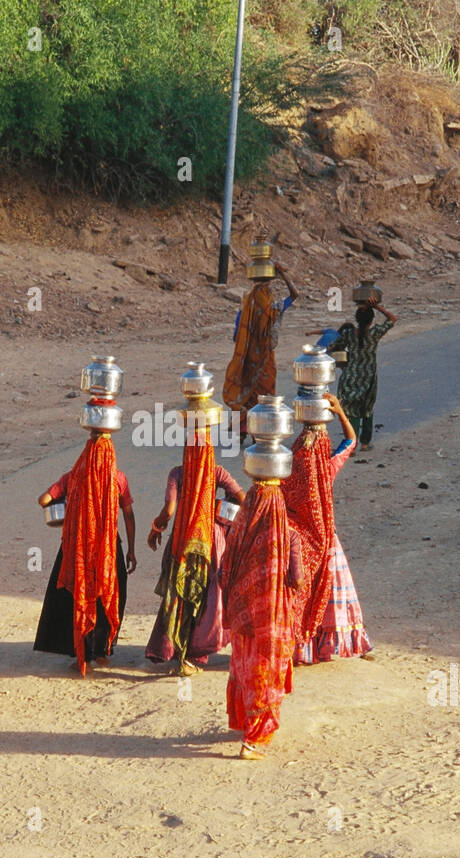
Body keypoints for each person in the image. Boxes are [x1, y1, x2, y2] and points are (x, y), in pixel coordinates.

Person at [144, 420, 245, 676]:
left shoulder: (177, 473)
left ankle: (174, 648)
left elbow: (169, 510)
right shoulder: (217, 472)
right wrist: (221, 508)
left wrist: (156, 528)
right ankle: (196, 653)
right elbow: (243, 498)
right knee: (209, 594)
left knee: (179, 590)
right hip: (211, 541)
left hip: (182, 538)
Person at [34, 430, 137, 676]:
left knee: (77, 597)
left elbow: (43, 499)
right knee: (107, 597)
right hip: (109, 548)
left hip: (77, 547)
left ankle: (81, 653)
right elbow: (129, 515)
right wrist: (131, 549)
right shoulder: (118, 479)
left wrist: (72, 506)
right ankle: (102, 652)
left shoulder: (73, 477)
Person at [284, 393, 374, 664]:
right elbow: (351, 441)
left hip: (293, 539)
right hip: (325, 537)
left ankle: (297, 649)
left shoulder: (288, 466)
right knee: (329, 593)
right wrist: (340, 413)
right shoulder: (327, 468)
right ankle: (321, 647)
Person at [222, 469, 303, 760]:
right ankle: (252, 740)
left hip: (243, 618)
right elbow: (298, 578)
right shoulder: (290, 538)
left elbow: (224, 572)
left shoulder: (239, 533)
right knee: (266, 675)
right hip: (271, 621)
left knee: (246, 669)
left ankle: (245, 721)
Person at [223, 262, 298, 440]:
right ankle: (259, 432)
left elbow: (237, 332)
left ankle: (240, 430)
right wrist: (283, 275)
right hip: (265, 358)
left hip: (247, 357)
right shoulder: (273, 307)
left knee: (245, 389)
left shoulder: (248, 302)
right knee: (263, 394)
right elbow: (295, 295)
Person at [328, 287, 397, 451]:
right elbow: (393, 319)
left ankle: (350, 445)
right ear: (372, 321)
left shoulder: (348, 334)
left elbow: (333, 348)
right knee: (366, 409)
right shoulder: (375, 333)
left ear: (356, 319)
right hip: (368, 378)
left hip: (350, 377)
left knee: (350, 412)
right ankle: (365, 443)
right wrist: (377, 307)